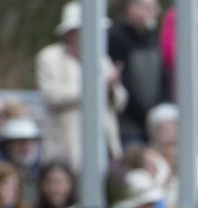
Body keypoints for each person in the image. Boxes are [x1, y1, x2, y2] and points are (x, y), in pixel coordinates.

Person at [37, 1, 129, 170]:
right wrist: (98, 86)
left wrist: (111, 87)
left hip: (104, 143)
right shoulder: (50, 58)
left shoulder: (102, 59)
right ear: (71, 32)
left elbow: (120, 102)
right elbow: (53, 96)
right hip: (68, 147)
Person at [108, 0, 168, 146]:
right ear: (131, 8)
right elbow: (123, 81)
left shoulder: (153, 36)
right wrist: (146, 115)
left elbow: (163, 75)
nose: (151, 13)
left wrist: (159, 109)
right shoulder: (116, 37)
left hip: (156, 122)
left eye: (153, 8)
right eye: (146, 8)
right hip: (129, 126)